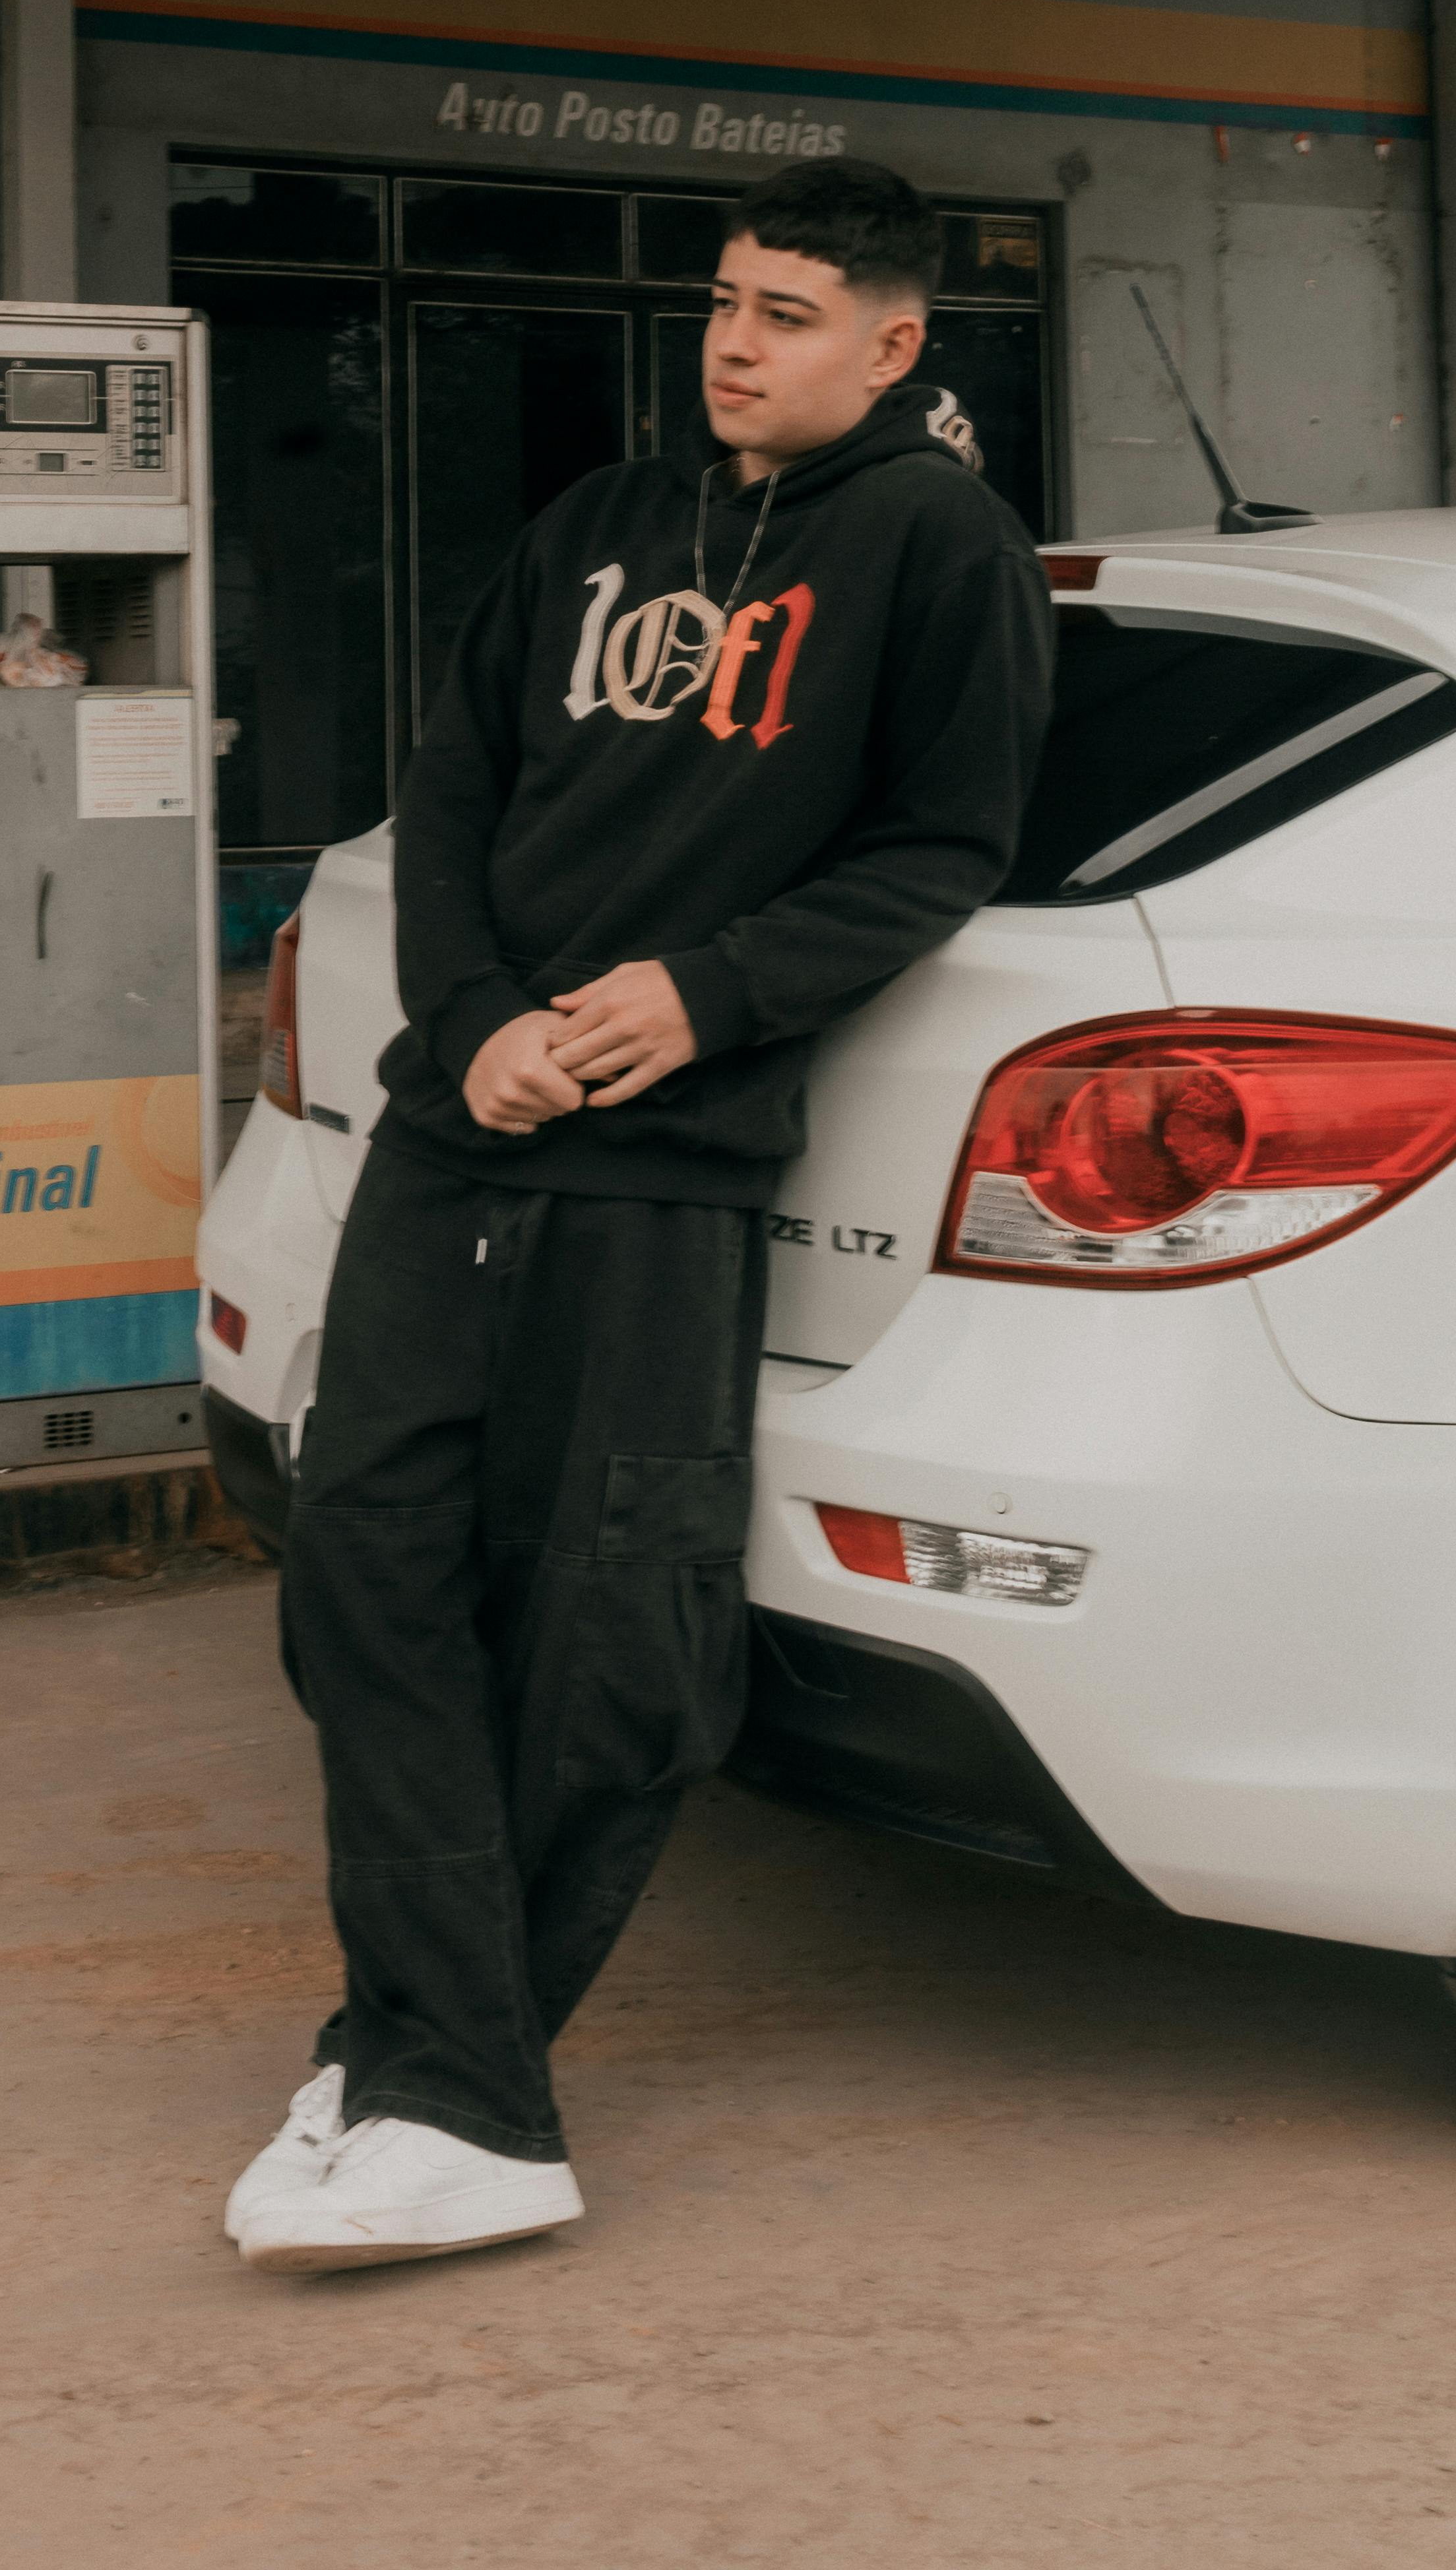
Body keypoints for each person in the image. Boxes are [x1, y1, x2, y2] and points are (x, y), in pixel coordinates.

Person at [228, 158, 1054, 2274]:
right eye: (724, 300)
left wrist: (704, 995)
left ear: (894, 344)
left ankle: (452, 2087)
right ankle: (438, 2052)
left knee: (608, 1632)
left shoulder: (935, 549)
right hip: (464, 1126)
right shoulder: (597, 526)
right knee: (367, 1564)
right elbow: (459, 792)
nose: (736, 341)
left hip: (660, 1162)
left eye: (789, 311)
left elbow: (939, 845)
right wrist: (477, 1015)